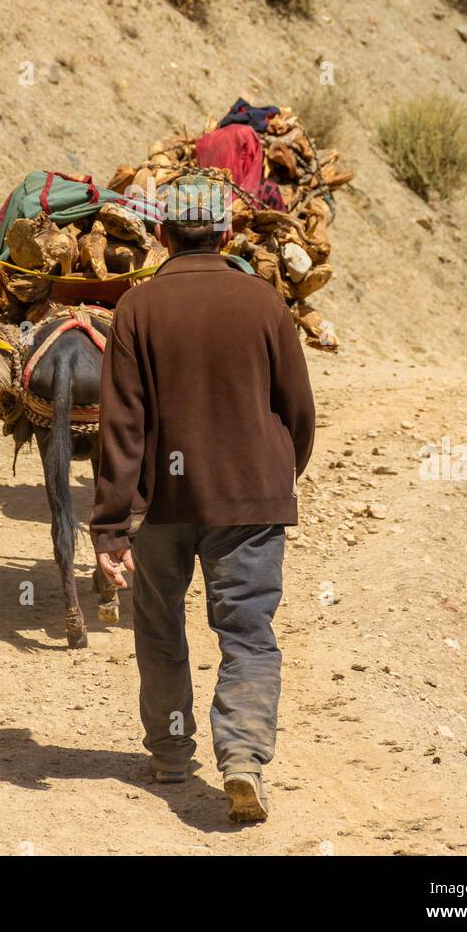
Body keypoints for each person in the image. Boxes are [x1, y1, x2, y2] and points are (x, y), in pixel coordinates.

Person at [90, 174, 316, 823]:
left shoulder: (136, 309)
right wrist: (274, 478)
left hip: (163, 501)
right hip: (251, 500)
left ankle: (168, 751)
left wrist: (110, 526)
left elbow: (123, 425)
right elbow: (299, 412)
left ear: (161, 233)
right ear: (225, 233)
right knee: (247, 629)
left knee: (159, 623)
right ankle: (243, 757)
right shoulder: (264, 303)